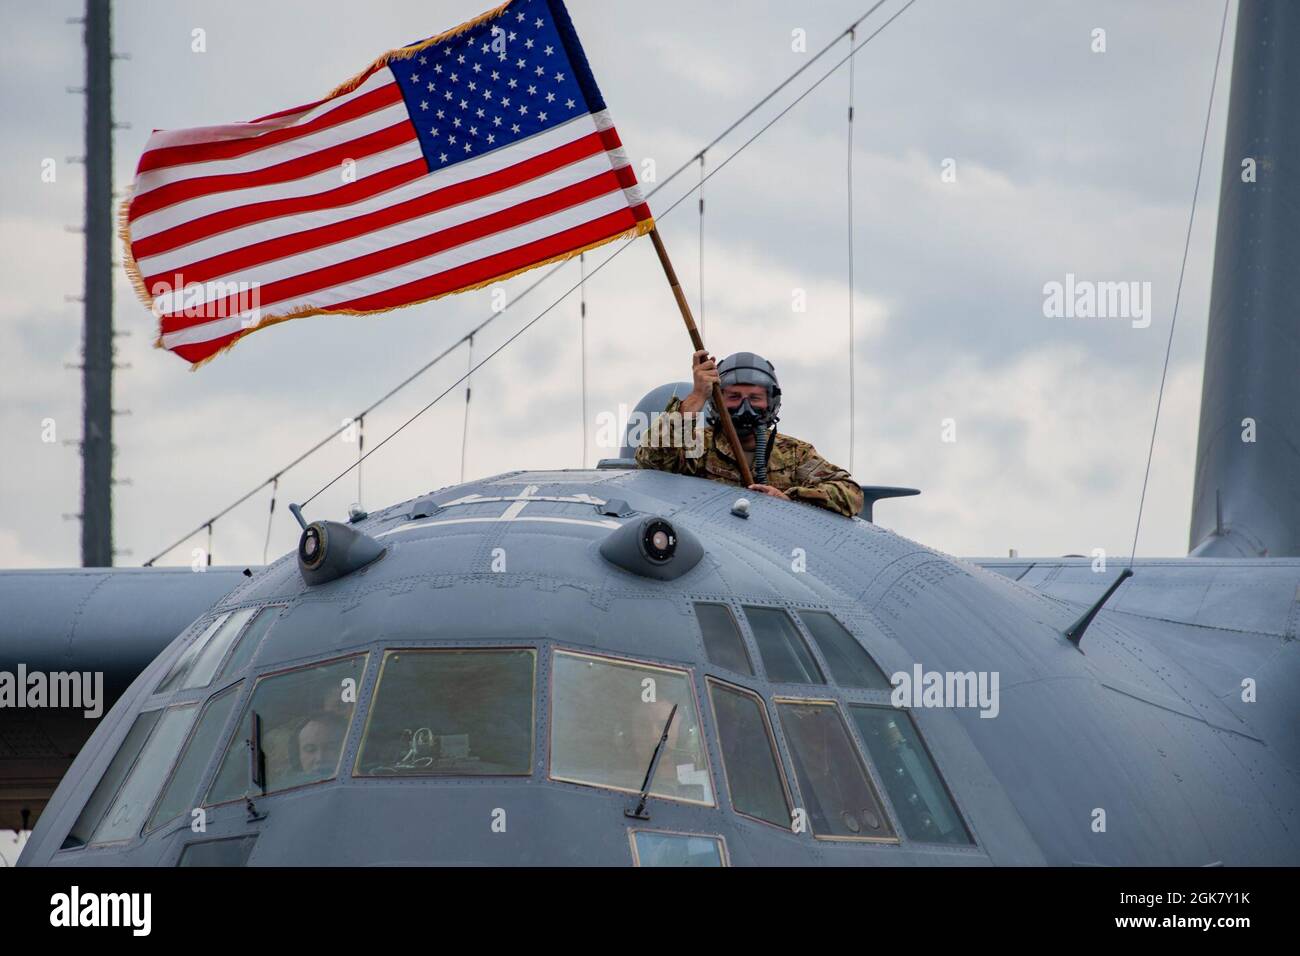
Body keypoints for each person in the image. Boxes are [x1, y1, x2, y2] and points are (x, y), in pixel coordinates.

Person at [635, 350, 864, 518]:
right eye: (733, 397)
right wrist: (697, 396)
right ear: (718, 402)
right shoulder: (698, 445)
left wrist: (789, 498)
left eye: (754, 398)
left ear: (770, 402)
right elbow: (651, 461)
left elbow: (850, 493)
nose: (745, 407)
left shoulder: (794, 454)